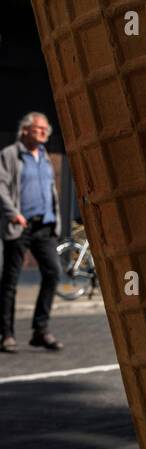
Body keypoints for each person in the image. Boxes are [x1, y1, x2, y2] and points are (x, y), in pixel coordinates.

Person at [0, 112, 63, 352]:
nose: (43, 132)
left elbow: (51, 190)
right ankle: (6, 333)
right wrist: (13, 213)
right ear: (25, 130)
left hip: (44, 225)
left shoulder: (45, 157)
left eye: (45, 129)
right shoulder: (10, 155)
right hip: (20, 225)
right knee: (11, 280)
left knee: (53, 272)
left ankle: (41, 329)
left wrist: (55, 219)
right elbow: (1, 187)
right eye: (38, 128)